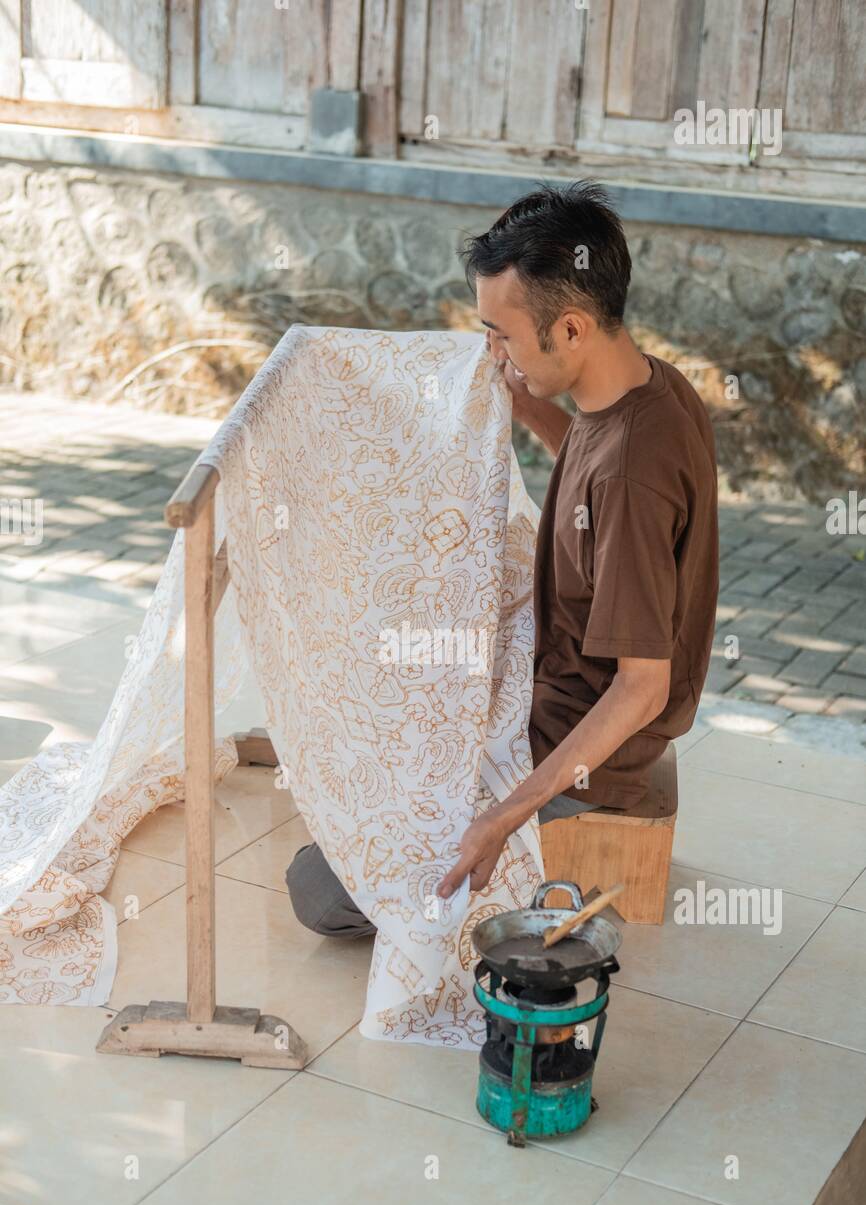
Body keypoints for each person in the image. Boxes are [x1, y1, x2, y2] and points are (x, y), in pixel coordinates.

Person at [286, 181, 718, 936]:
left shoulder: (635, 468)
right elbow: (590, 494)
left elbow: (642, 688)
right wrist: (526, 405)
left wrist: (501, 817)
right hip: (555, 676)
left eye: (503, 334)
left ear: (573, 329)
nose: (493, 349)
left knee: (318, 891)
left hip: (584, 729)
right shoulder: (647, 388)